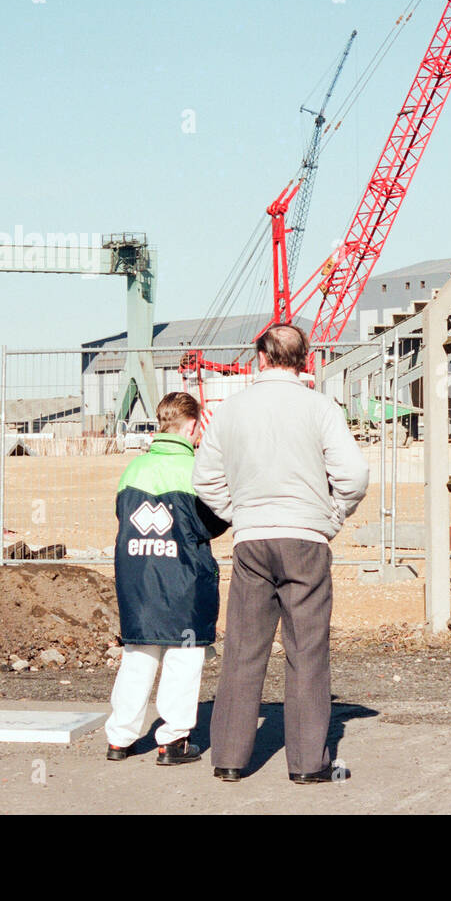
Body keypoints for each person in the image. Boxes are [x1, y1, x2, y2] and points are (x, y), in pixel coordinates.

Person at [193, 324, 369, 784]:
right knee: (307, 650)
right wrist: (329, 517)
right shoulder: (320, 407)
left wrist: (240, 513)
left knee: (243, 649)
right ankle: (309, 763)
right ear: (305, 360)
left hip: (252, 537)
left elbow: (205, 478)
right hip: (306, 538)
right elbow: (353, 475)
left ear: (260, 358)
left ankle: (229, 758)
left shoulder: (231, 409)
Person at [105, 391, 227, 765]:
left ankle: (119, 739)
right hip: (183, 582)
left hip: (137, 582)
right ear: (191, 425)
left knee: (138, 656)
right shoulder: (196, 471)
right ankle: (172, 741)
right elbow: (213, 523)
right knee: (183, 659)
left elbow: (122, 517)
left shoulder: (133, 470)